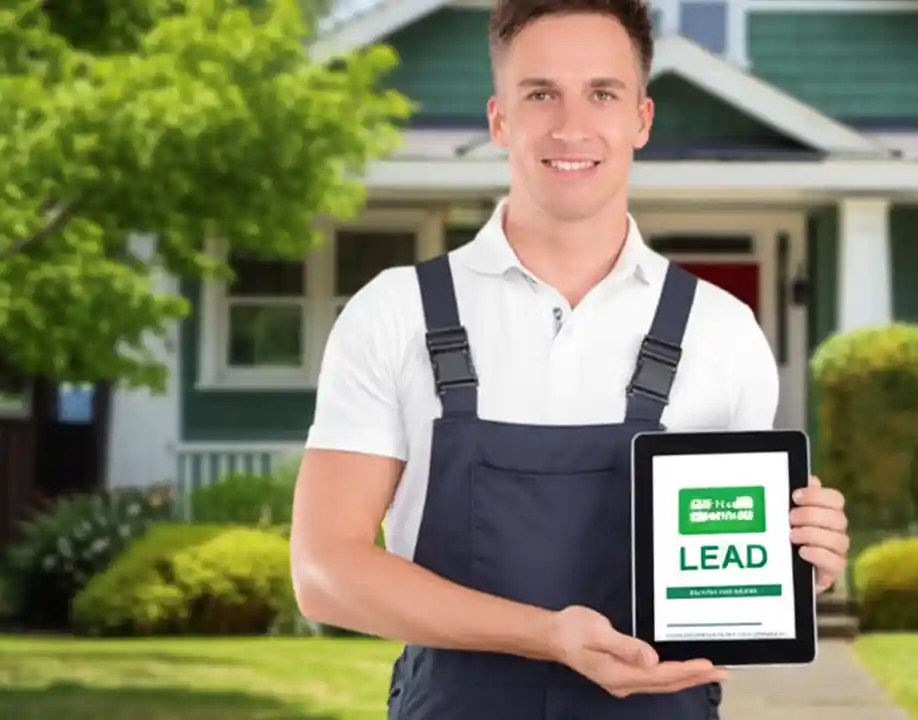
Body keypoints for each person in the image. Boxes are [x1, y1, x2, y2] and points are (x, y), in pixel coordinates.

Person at [288, 1, 851, 717]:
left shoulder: (722, 330)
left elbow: (727, 584)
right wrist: (545, 635)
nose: (571, 125)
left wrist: (803, 571)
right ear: (499, 118)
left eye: (603, 93)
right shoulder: (396, 313)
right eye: (541, 93)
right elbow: (324, 571)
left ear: (642, 119)